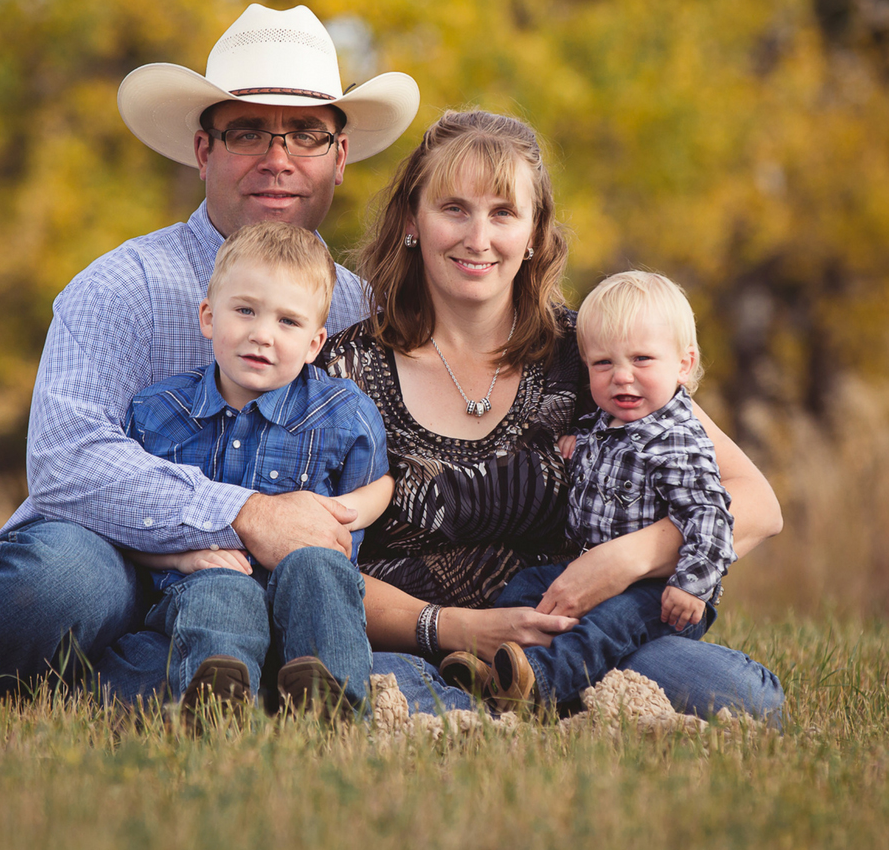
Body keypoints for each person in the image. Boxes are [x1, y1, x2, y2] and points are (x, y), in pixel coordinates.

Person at [0, 3, 420, 695]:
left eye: (306, 134)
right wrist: (241, 515)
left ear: (339, 157)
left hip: (267, 587)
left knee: (292, 627)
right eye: (247, 132)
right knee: (62, 582)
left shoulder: (358, 312)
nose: (278, 159)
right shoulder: (121, 285)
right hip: (114, 556)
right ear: (203, 151)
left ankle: (126, 686)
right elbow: (65, 460)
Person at [322, 110, 785, 719]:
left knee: (743, 698)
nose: (478, 238)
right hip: (413, 638)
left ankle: (526, 699)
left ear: (535, 232)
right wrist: (452, 627)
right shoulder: (346, 368)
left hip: (575, 635)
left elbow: (758, 503)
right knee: (387, 692)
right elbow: (313, 560)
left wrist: (626, 559)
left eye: (503, 213)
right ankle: (487, 711)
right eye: (454, 209)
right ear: (412, 220)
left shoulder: (589, 355)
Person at [123, 221, 393, 714]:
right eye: (245, 310)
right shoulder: (157, 413)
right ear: (208, 317)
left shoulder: (341, 413)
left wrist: (335, 513)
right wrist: (180, 559)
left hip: (307, 585)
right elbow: (129, 525)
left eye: (288, 321)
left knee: (319, 568)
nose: (261, 335)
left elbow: (380, 484)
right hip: (202, 592)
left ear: (314, 344)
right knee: (221, 586)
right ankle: (216, 705)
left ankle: (333, 705)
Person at [441, 269, 738, 713]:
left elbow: (711, 516)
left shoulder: (678, 439)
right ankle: (497, 665)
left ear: (683, 364)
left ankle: (538, 687)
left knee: (608, 625)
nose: (622, 377)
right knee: (527, 586)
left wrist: (692, 584)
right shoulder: (605, 423)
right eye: (603, 364)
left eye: (642, 360)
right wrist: (576, 446)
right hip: (588, 567)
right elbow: (604, 450)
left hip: (659, 591)